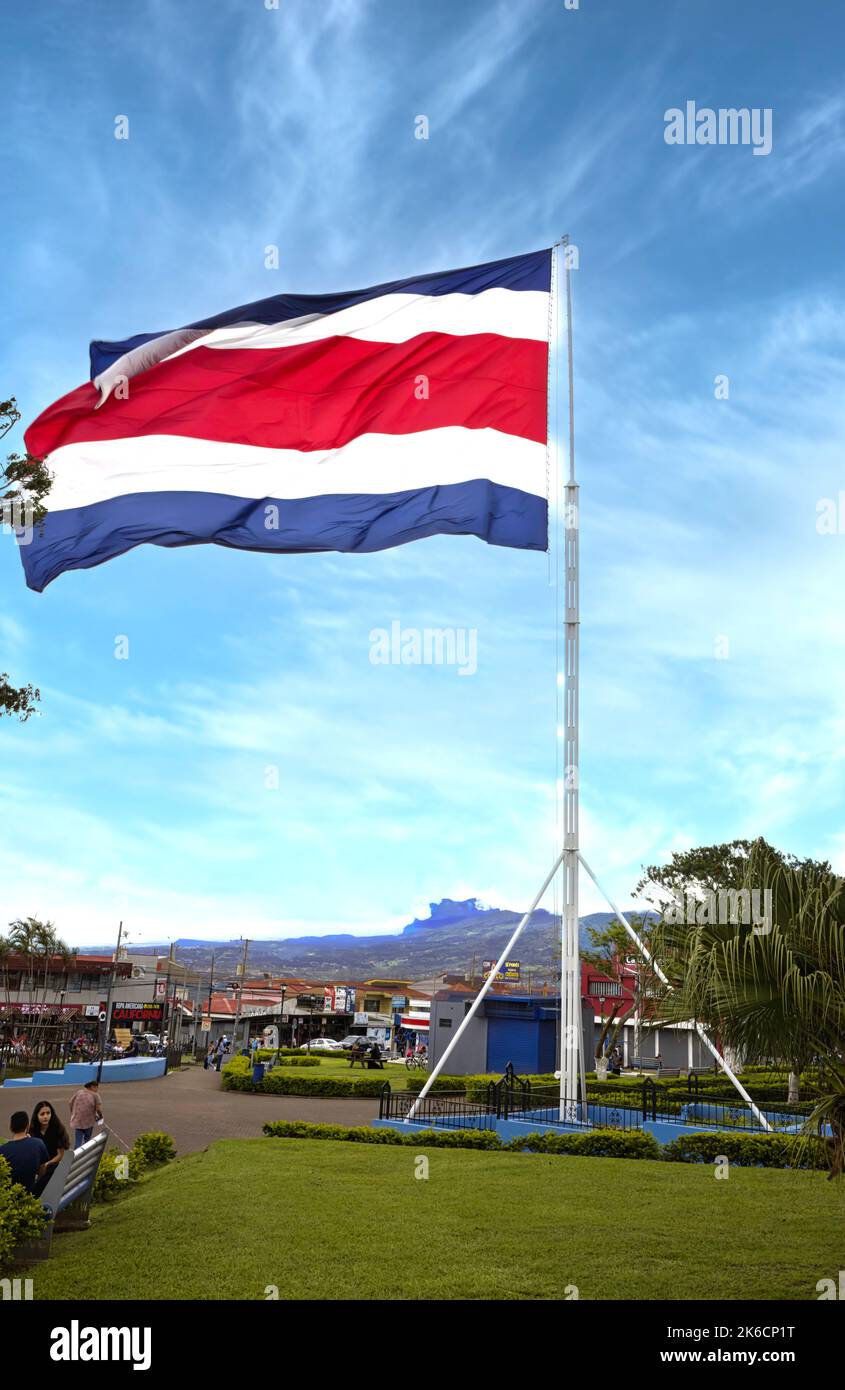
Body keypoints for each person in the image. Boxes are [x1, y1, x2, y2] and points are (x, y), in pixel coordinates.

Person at [28, 1100, 70, 1196]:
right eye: (42, 1114)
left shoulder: (57, 1128)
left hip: (54, 1166)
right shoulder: (32, 1131)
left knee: (48, 1173)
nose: (46, 1116)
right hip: (37, 1167)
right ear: (37, 1116)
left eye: (48, 1113)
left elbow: (61, 1155)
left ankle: (34, 1197)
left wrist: (46, 1164)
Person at [0, 1111, 49, 1194]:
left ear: (11, 1128)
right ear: (27, 1126)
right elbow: (42, 1171)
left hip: (8, 1197)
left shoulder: (3, 1150)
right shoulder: (38, 1144)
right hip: (30, 1194)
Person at [69, 1079, 103, 1148]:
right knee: (87, 1140)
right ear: (92, 1086)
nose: (97, 1090)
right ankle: (85, 1155)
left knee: (78, 1141)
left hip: (78, 1120)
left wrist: (73, 1113)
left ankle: (76, 1155)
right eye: (96, 1087)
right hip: (89, 1121)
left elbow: (70, 1103)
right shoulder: (95, 1095)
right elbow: (98, 1109)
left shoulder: (79, 1092)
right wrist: (101, 1117)